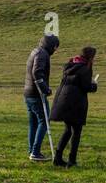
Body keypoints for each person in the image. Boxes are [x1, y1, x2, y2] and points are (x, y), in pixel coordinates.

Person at [50, 46, 97, 168]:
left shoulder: (70, 65)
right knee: (76, 132)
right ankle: (72, 160)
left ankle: (58, 157)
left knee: (67, 130)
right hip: (75, 104)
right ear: (90, 57)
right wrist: (94, 85)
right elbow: (86, 87)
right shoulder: (85, 69)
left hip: (64, 102)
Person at [23, 34, 60, 162]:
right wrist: (45, 89)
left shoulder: (36, 51)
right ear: (52, 46)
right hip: (36, 94)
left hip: (28, 93)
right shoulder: (42, 54)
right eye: (56, 47)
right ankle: (35, 152)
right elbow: (37, 72)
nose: (56, 50)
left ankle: (32, 150)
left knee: (33, 123)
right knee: (44, 121)